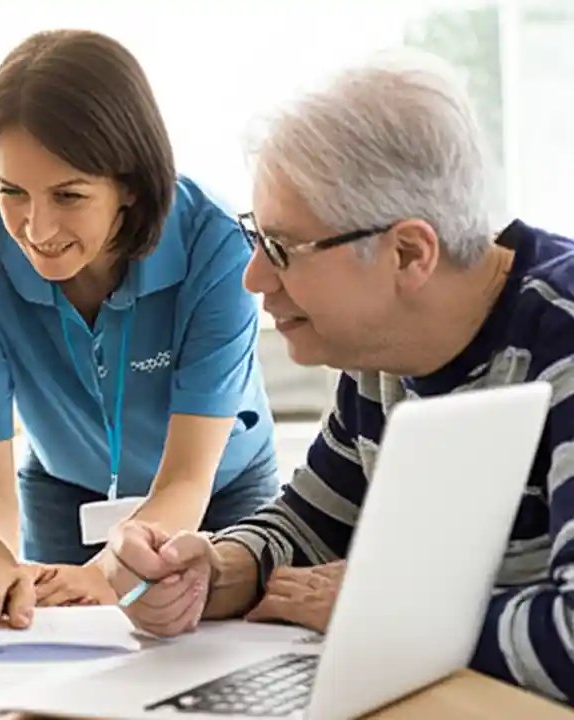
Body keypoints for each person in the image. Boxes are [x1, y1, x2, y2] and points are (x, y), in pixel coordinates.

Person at [109, 50, 574, 704]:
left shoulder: (564, 341)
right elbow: (315, 523)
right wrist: (212, 570)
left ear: (408, 253)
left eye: (282, 249)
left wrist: (387, 612)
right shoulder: (380, 349)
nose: (254, 279)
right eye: (255, 238)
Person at [0, 28, 279, 629]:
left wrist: (109, 574)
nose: (36, 228)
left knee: (210, 656)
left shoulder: (217, 242)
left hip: (218, 490)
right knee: (55, 661)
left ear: (130, 185)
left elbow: (187, 477)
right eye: (11, 191)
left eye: (68, 195)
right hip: (67, 491)